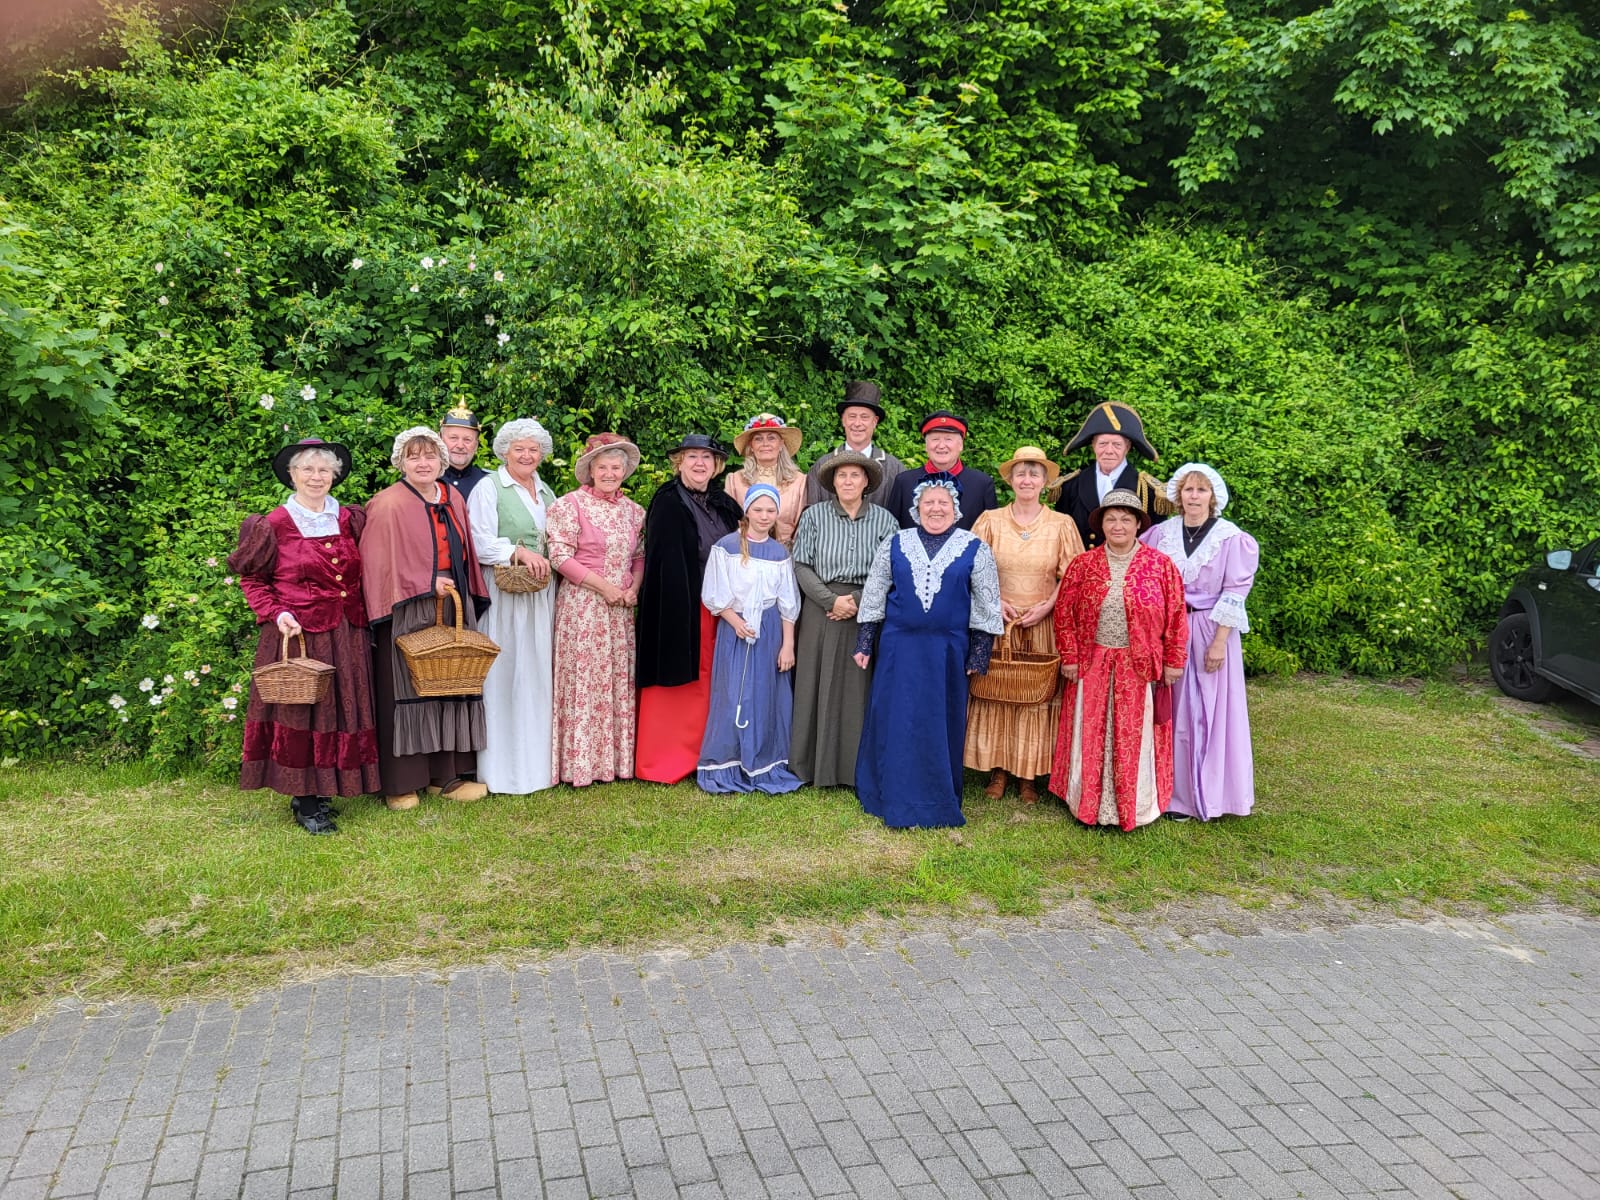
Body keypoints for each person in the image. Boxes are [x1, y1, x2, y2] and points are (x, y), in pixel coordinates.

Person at [229, 438, 379, 834]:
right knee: (303, 711)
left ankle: (329, 786)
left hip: (346, 631)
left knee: (341, 709)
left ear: (335, 475)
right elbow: (253, 579)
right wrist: (276, 612)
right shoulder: (272, 524)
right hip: (299, 633)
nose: (316, 477)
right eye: (307, 470)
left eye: (324, 470)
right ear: (292, 475)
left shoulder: (351, 519)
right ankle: (305, 799)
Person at [853, 478, 1004, 828]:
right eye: (929, 504)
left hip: (947, 651)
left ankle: (936, 798)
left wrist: (980, 652)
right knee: (897, 717)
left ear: (956, 509)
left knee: (939, 720)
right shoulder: (895, 543)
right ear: (916, 508)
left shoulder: (974, 548)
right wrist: (864, 642)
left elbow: (986, 603)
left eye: (943, 504)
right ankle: (887, 792)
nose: (936, 509)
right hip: (899, 648)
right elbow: (875, 592)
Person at [361, 427, 491, 810]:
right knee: (407, 687)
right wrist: (423, 581)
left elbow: (464, 546)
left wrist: (461, 591)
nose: (423, 463)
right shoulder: (387, 503)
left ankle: (445, 777)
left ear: (442, 461)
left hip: (451, 602)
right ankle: (401, 782)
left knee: (450, 683)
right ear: (401, 461)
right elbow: (375, 561)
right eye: (414, 457)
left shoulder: (452, 497)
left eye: (430, 456)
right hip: (406, 607)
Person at [1049, 488, 1188, 831]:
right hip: (1092, 660)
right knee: (1091, 731)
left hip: (1138, 664)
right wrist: (1069, 655)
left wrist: (1173, 660)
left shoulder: (1161, 566)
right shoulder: (1084, 564)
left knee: (1133, 736)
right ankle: (1089, 806)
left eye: (1126, 518)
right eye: (1111, 518)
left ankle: (1134, 807)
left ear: (1138, 524)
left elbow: (1176, 617)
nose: (1118, 525)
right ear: (1102, 524)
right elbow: (1064, 613)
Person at [963, 447, 1085, 804]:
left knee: (1035, 696)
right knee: (1000, 693)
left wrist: (1048, 606)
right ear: (1010, 480)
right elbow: (970, 567)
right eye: (1021, 473)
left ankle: (1028, 776)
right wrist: (994, 601)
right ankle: (999, 770)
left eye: (1034, 474)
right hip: (999, 623)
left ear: (1045, 482)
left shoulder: (1061, 524)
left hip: (1041, 623)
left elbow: (1074, 576)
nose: (1027, 480)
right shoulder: (990, 520)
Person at [1140, 463, 1259, 820]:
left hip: (1210, 629)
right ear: (1178, 495)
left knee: (1206, 710)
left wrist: (1220, 641)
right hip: (1168, 629)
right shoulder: (1161, 534)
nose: (1194, 496)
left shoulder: (1230, 537)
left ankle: (1205, 795)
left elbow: (1235, 591)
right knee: (1170, 710)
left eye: (1201, 490)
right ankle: (1168, 791)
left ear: (1213, 496)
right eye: (1188, 490)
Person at [635, 433, 743, 784]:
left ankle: (706, 753)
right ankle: (667, 760)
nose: (700, 463)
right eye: (692, 457)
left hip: (720, 606)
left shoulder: (724, 502)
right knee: (680, 683)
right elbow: (665, 560)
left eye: (707, 458)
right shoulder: (668, 500)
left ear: (717, 466)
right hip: (680, 606)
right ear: (679, 462)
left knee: (710, 682)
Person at [790, 451, 899, 787]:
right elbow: (801, 565)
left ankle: (853, 768)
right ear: (832, 482)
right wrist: (831, 599)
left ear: (866, 481)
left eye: (855, 475)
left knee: (857, 689)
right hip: (820, 608)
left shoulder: (884, 521)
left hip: (866, 611)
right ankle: (810, 766)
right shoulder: (814, 516)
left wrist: (855, 601)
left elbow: (892, 570)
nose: (848, 481)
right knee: (814, 684)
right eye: (842, 476)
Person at [548, 433, 646, 786]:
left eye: (615, 467)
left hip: (620, 608)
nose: (609, 473)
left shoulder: (635, 512)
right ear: (590, 470)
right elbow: (559, 556)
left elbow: (638, 557)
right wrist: (605, 588)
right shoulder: (568, 505)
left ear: (625, 471)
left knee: (616, 679)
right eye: (602, 466)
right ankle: (580, 765)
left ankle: (616, 762)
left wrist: (632, 589)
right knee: (585, 679)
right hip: (584, 605)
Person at [466, 418, 558, 795]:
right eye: (519, 448)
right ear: (504, 452)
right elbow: (479, 540)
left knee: (537, 671)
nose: (526, 455)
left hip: (540, 593)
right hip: (506, 592)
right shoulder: (489, 487)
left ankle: (538, 767)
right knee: (505, 673)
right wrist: (517, 551)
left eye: (533, 449)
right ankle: (502, 770)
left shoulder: (546, 491)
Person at [696, 485, 804, 793]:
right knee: (733, 694)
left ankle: (763, 762)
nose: (764, 516)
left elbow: (787, 602)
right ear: (747, 511)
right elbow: (714, 593)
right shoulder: (727, 546)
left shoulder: (779, 552)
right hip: (736, 629)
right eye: (758, 510)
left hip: (769, 631)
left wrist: (788, 644)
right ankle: (728, 763)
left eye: (771, 511)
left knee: (765, 695)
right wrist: (735, 621)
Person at [1055, 401, 1172, 550]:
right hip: (1083, 570)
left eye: (1117, 445)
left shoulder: (1148, 492)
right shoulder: (1070, 487)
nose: (1109, 451)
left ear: (1127, 447)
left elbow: (1155, 545)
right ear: (1093, 445)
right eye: (1103, 444)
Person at [881, 410, 998, 532]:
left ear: (960, 445)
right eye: (935, 439)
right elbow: (892, 530)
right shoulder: (904, 482)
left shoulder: (982, 484)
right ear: (926, 446)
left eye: (948, 439)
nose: (941, 446)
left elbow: (990, 534)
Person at [803, 380, 905, 510]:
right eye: (852, 416)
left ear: (874, 422)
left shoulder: (895, 470)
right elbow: (812, 517)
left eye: (864, 417)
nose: (857, 423)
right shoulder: (821, 467)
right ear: (843, 420)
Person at [724, 413, 807, 545]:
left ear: (781, 445)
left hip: (786, 556)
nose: (765, 444)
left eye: (771, 438)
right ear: (751, 446)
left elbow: (803, 528)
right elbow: (728, 524)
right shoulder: (735, 480)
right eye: (758, 439)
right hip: (743, 554)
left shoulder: (800, 482)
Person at [439, 404, 490, 500]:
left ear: (476, 445)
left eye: (467, 440)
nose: (460, 446)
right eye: (453, 438)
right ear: (440, 439)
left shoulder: (489, 482)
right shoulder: (426, 480)